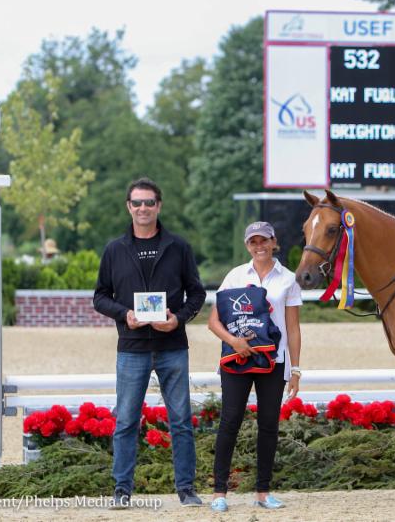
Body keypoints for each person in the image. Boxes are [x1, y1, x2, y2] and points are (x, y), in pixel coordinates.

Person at [93, 177, 206, 509]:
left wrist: (179, 318)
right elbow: (100, 296)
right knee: (127, 419)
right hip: (131, 346)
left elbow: (197, 293)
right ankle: (122, 489)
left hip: (172, 346)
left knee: (181, 421)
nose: (143, 208)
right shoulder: (114, 249)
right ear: (129, 206)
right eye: (137, 203)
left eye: (149, 202)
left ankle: (186, 488)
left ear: (159, 205)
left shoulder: (178, 246)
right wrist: (124, 313)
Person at [207, 221, 302, 513]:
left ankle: (263, 492)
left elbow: (293, 328)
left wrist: (295, 370)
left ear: (274, 242)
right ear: (247, 245)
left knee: (269, 426)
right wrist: (233, 341)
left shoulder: (288, 279)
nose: (259, 246)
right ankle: (219, 492)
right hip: (238, 358)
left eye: (264, 241)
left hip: (273, 361)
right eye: (253, 242)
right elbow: (214, 320)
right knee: (230, 421)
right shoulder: (236, 276)